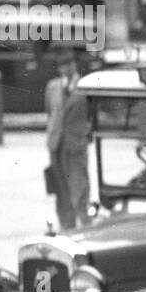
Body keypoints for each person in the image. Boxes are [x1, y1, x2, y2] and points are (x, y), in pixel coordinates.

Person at [43, 49, 91, 231]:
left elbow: (90, 116)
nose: (65, 69)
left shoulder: (84, 87)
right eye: (61, 66)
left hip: (76, 145)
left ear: (74, 65)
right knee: (61, 190)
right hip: (56, 145)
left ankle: (86, 226)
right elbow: (50, 112)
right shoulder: (52, 87)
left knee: (79, 187)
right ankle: (67, 228)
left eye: (68, 65)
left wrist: (83, 134)